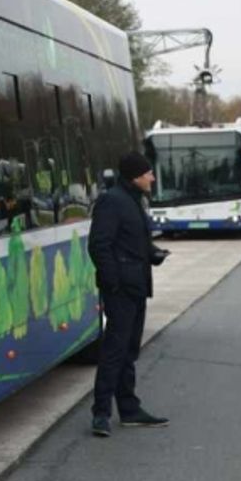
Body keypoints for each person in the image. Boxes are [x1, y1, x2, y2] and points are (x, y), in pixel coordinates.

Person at [86, 150, 170, 437]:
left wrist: (153, 253)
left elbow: (134, 242)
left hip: (137, 286)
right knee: (114, 351)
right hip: (121, 290)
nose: (152, 178)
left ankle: (129, 409)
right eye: (148, 173)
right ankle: (101, 413)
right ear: (136, 176)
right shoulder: (112, 201)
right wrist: (113, 282)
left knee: (128, 351)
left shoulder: (134, 200)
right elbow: (99, 245)